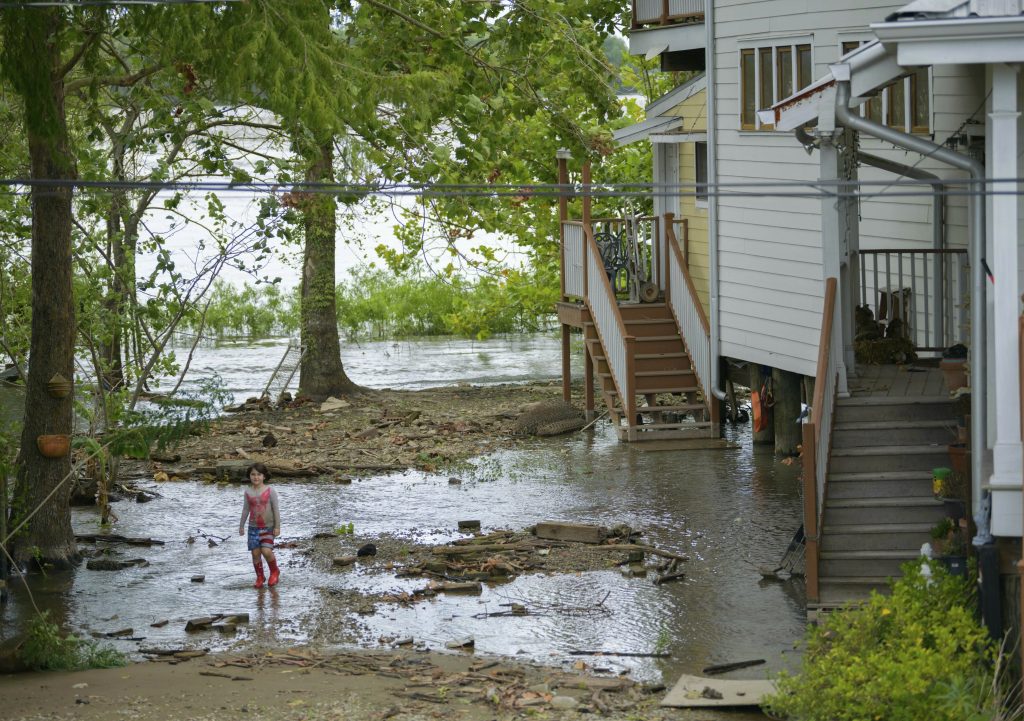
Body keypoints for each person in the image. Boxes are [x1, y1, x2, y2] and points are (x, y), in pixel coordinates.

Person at [238, 462, 281, 588]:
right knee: (255, 553)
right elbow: (245, 509)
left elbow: (276, 509)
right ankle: (260, 576)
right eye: (253, 474)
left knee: (266, 551)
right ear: (249, 476)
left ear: (264, 476)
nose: (256, 477)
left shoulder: (270, 491)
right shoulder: (247, 492)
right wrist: (241, 526)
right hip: (253, 528)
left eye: (259, 474)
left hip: (268, 527)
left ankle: (274, 571)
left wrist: (277, 526)